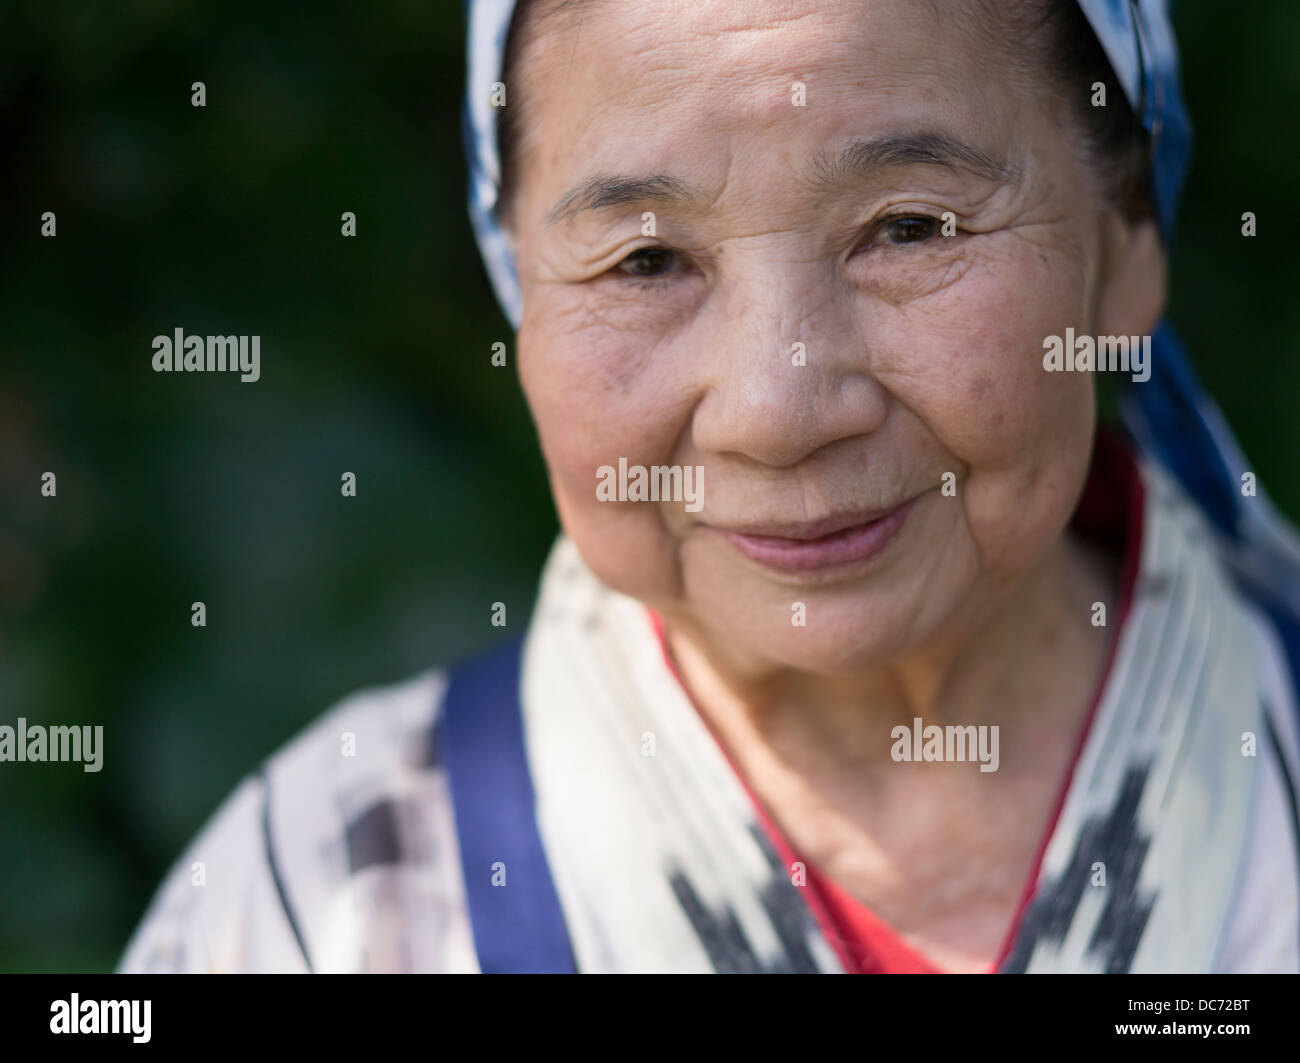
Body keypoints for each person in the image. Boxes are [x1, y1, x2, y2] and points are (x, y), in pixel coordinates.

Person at [119, 0, 1300, 974]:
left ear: (1127, 244)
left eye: (908, 229)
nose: (776, 416)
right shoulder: (323, 903)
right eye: (645, 260)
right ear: (517, 288)